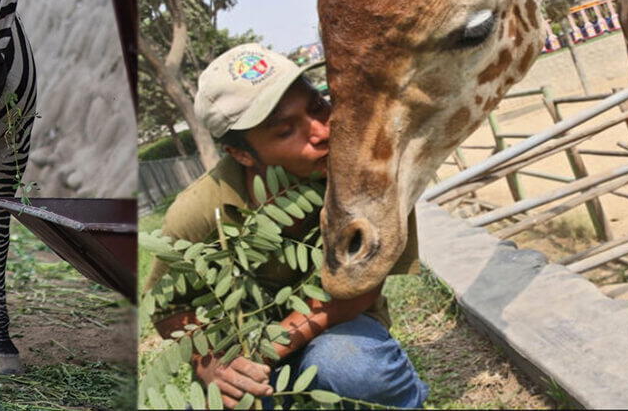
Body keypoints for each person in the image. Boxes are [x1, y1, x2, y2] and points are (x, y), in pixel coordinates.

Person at [144, 43, 429, 409]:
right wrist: (212, 364)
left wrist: (267, 349)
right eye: (285, 131)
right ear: (242, 154)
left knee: (347, 365)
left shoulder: (369, 175)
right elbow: (167, 308)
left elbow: (362, 286)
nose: (321, 131)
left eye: (317, 107)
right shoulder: (198, 214)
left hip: (342, 331)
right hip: (245, 352)